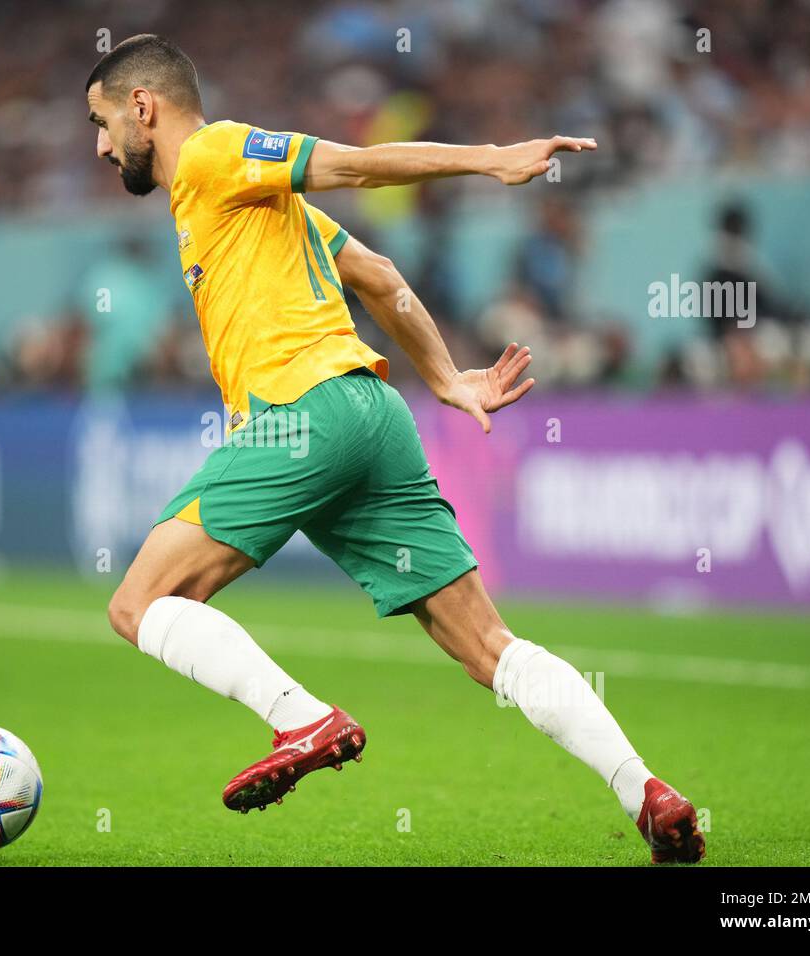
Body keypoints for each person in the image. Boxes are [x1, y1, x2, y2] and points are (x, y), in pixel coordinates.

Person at [86, 34, 703, 863]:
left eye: (99, 122)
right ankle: (647, 791)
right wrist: (447, 380)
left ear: (142, 107)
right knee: (491, 649)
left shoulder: (212, 154)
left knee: (137, 604)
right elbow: (377, 275)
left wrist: (491, 159)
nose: (98, 146)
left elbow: (359, 164)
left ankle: (301, 718)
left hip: (300, 414)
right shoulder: (259, 209)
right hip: (376, 417)